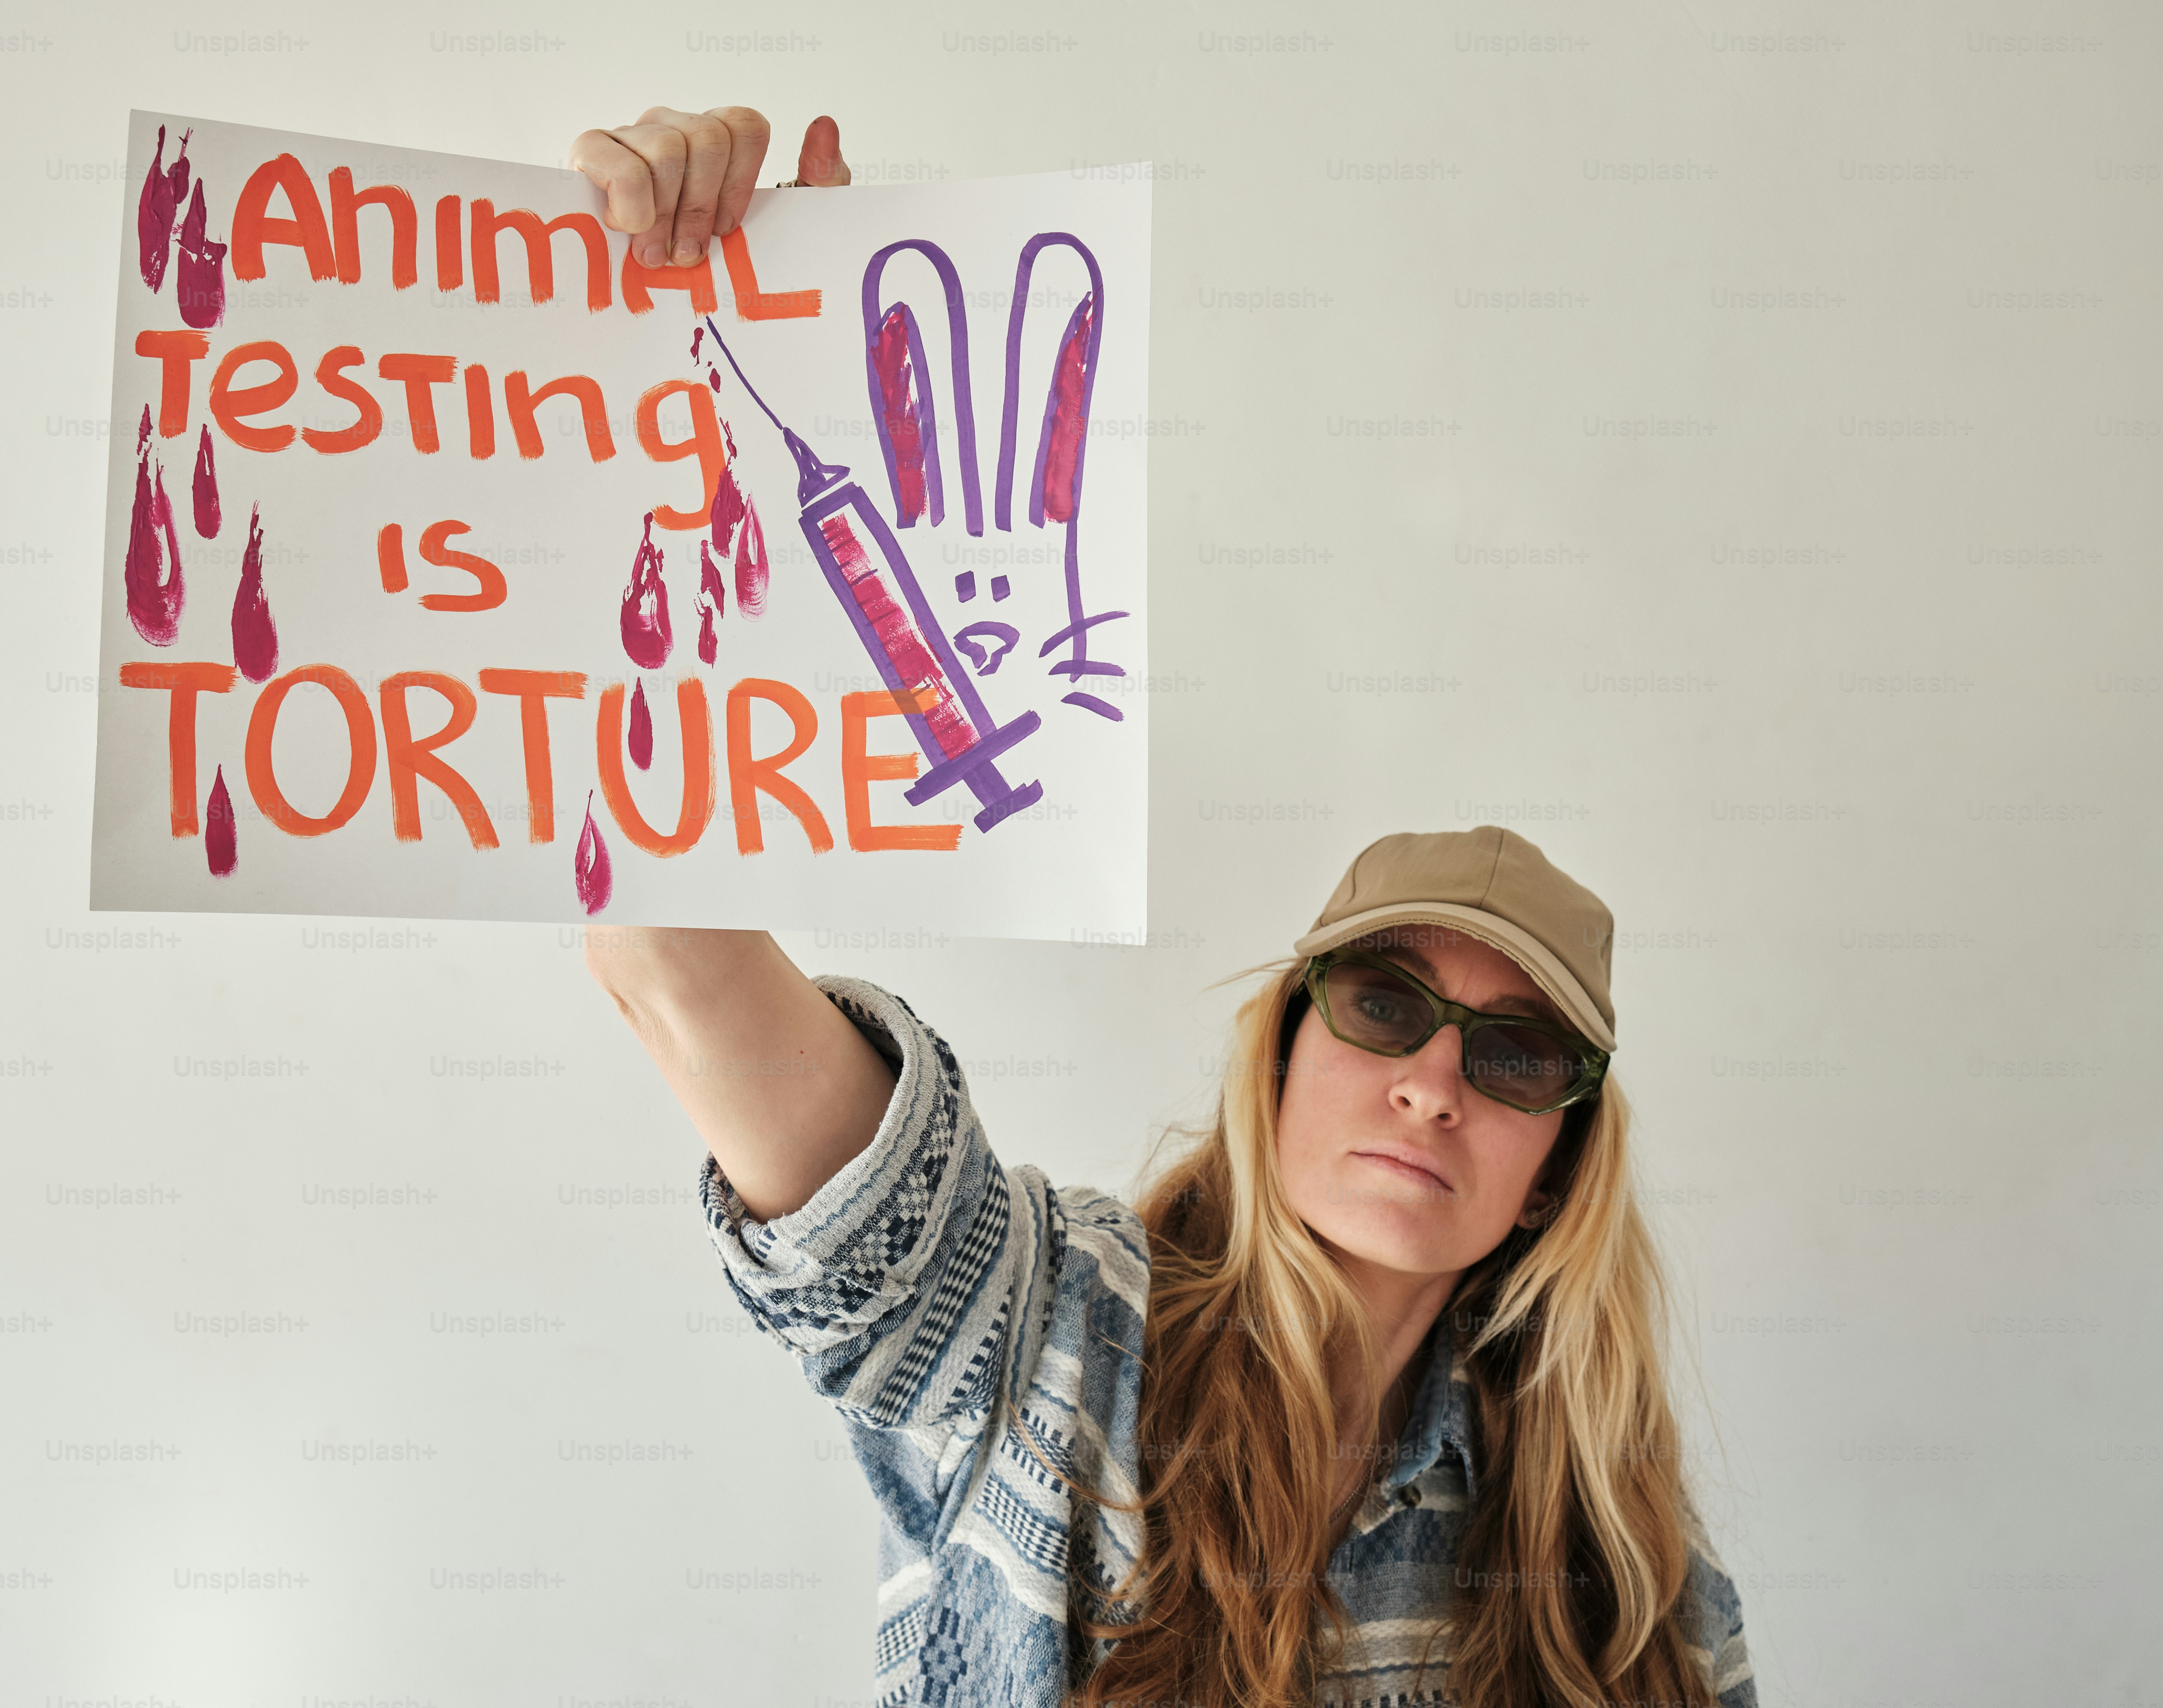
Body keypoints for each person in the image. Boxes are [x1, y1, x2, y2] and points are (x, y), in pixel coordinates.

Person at [572, 109, 1753, 1708]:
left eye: (1520, 1055)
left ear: (1557, 1170)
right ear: (1281, 1055)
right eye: (1387, 1005)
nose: (1433, 1082)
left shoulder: (1622, 1575)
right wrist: (710, 345)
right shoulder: (1037, 1329)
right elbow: (665, 946)